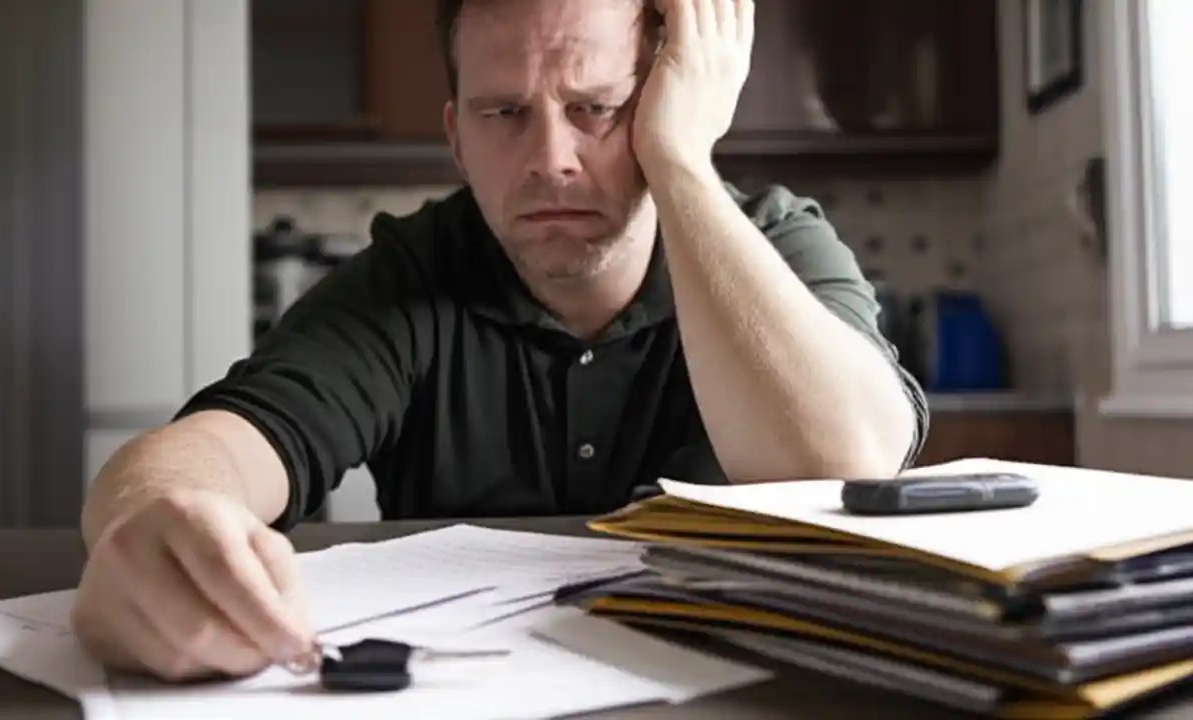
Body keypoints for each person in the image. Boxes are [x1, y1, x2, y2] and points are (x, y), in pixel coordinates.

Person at [73, 0, 928, 682]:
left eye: (598, 109)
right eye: (505, 112)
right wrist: (152, 530)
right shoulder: (412, 275)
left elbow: (842, 463)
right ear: (456, 136)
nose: (551, 158)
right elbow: (214, 449)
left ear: (669, 102)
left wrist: (681, 159)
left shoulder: (773, 243)